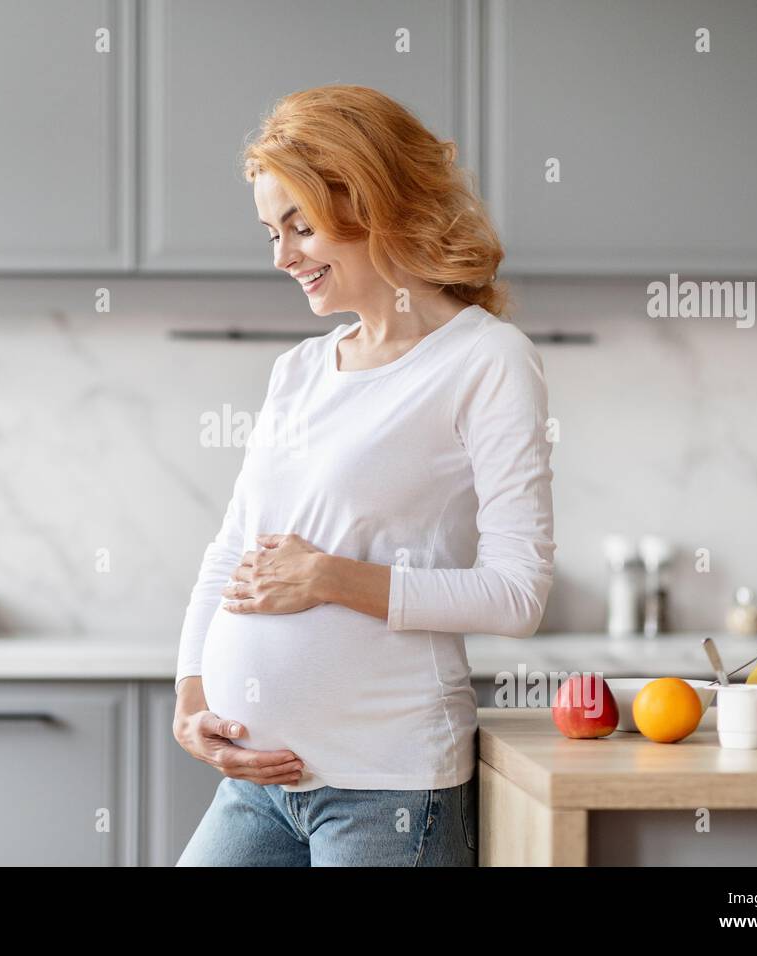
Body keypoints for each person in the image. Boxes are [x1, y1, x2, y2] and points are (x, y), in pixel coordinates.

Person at [172, 85, 556, 866]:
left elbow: (519, 593)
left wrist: (331, 580)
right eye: (269, 232)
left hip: (387, 791)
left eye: (301, 227)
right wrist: (192, 697)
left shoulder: (486, 361)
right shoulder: (300, 370)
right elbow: (232, 551)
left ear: (374, 204)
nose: (280, 257)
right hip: (255, 782)